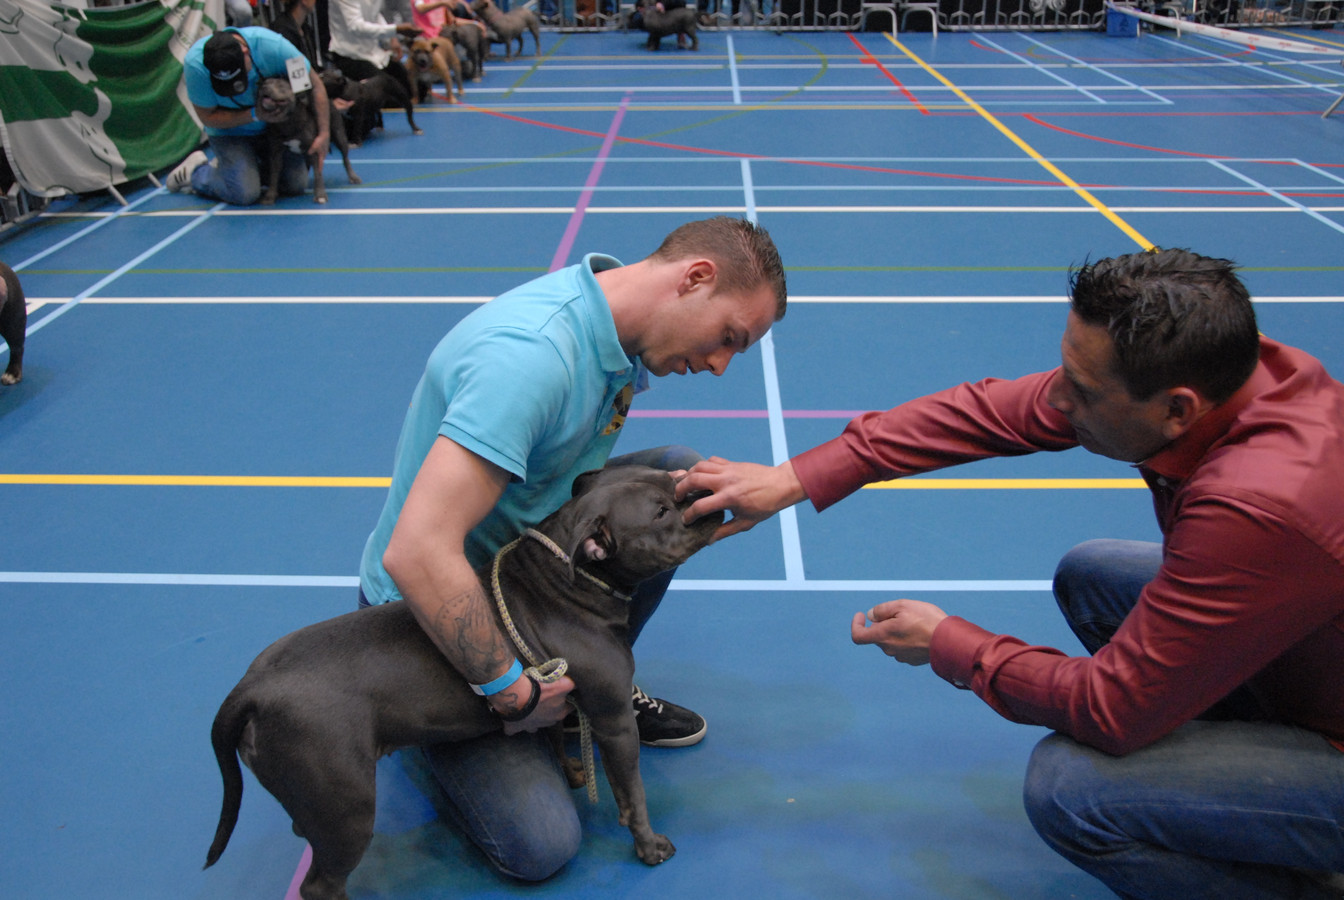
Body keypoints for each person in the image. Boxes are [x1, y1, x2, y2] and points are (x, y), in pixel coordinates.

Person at [675, 248, 1344, 899]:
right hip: (1311, 658)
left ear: (1178, 410)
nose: (1057, 401)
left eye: (1080, 392)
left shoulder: (1257, 504)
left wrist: (952, 646)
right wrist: (794, 477)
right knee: (1094, 577)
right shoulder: (1238, 377)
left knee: (1073, 789)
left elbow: (1112, 710)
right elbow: (987, 412)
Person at [360, 216, 787, 880]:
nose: (719, 365)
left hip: (525, 560)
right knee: (541, 844)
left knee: (684, 476)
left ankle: (597, 682)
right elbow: (417, 553)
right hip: (431, 602)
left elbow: (575, 482)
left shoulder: (616, 336)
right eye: (729, 338)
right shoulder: (530, 360)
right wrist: (511, 691)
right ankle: (425, 723)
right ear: (696, 277)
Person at [168, 28, 331, 206]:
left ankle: (237, 169)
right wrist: (255, 115)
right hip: (229, 134)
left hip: (276, 131)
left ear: (245, 52)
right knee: (245, 194)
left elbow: (314, 86)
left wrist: (323, 134)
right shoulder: (196, 65)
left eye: (239, 75)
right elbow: (207, 117)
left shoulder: (274, 48)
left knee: (294, 185)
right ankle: (197, 172)